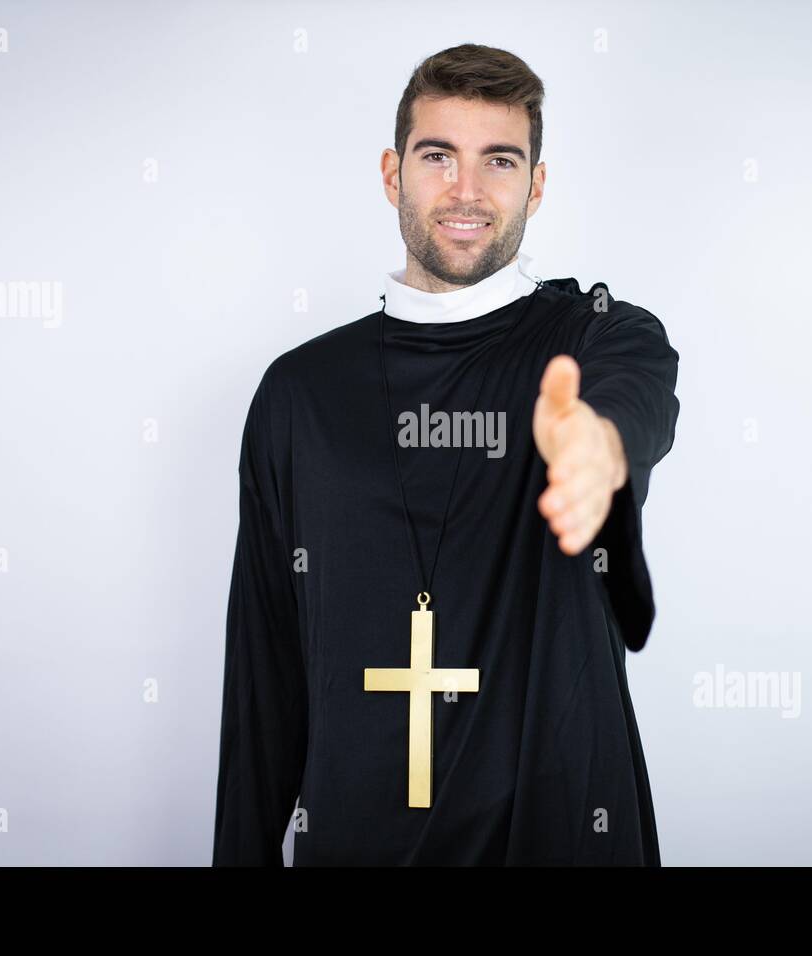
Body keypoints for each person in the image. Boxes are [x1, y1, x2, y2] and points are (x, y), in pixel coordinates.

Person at [213, 42, 680, 865]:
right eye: (439, 157)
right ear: (393, 174)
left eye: (499, 161)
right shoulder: (300, 396)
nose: (467, 191)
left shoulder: (597, 339)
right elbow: (265, 679)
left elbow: (633, 399)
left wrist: (599, 449)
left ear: (536, 184)